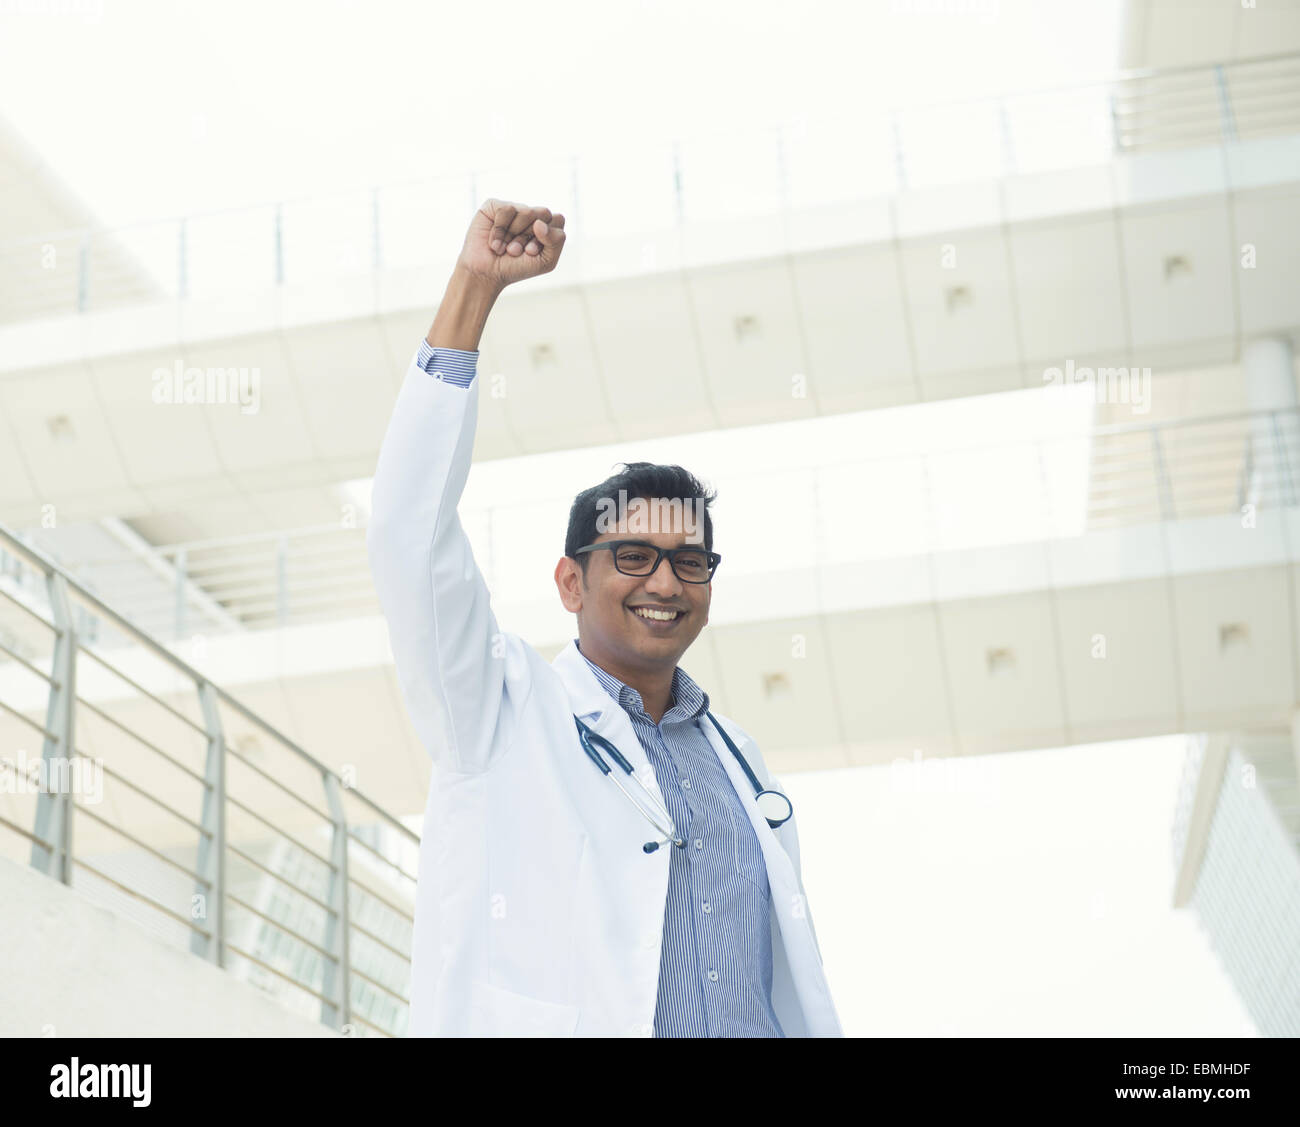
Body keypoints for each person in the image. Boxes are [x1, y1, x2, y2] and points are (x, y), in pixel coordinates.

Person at [366, 199, 842, 1037]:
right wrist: (475, 289)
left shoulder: (738, 758)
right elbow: (409, 531)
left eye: (689, 561)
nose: (665, 579)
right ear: (569, 582)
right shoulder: (495, 708)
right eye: (632, 556)